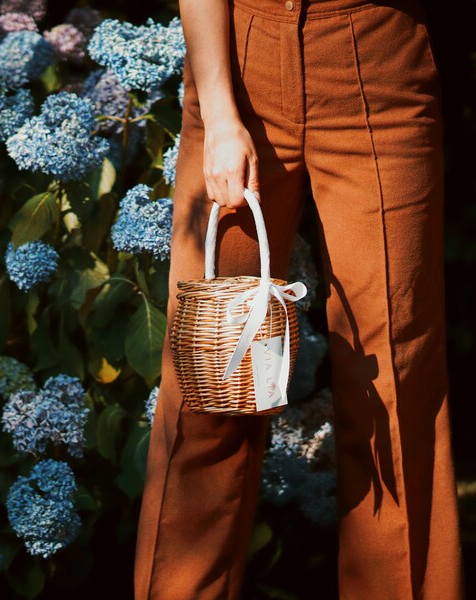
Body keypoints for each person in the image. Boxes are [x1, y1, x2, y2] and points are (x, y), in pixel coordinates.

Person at [134, 0, 466, 598]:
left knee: (395, 385)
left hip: (380, 54)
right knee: (208, 383)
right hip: (238, 61)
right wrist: (218, 112)